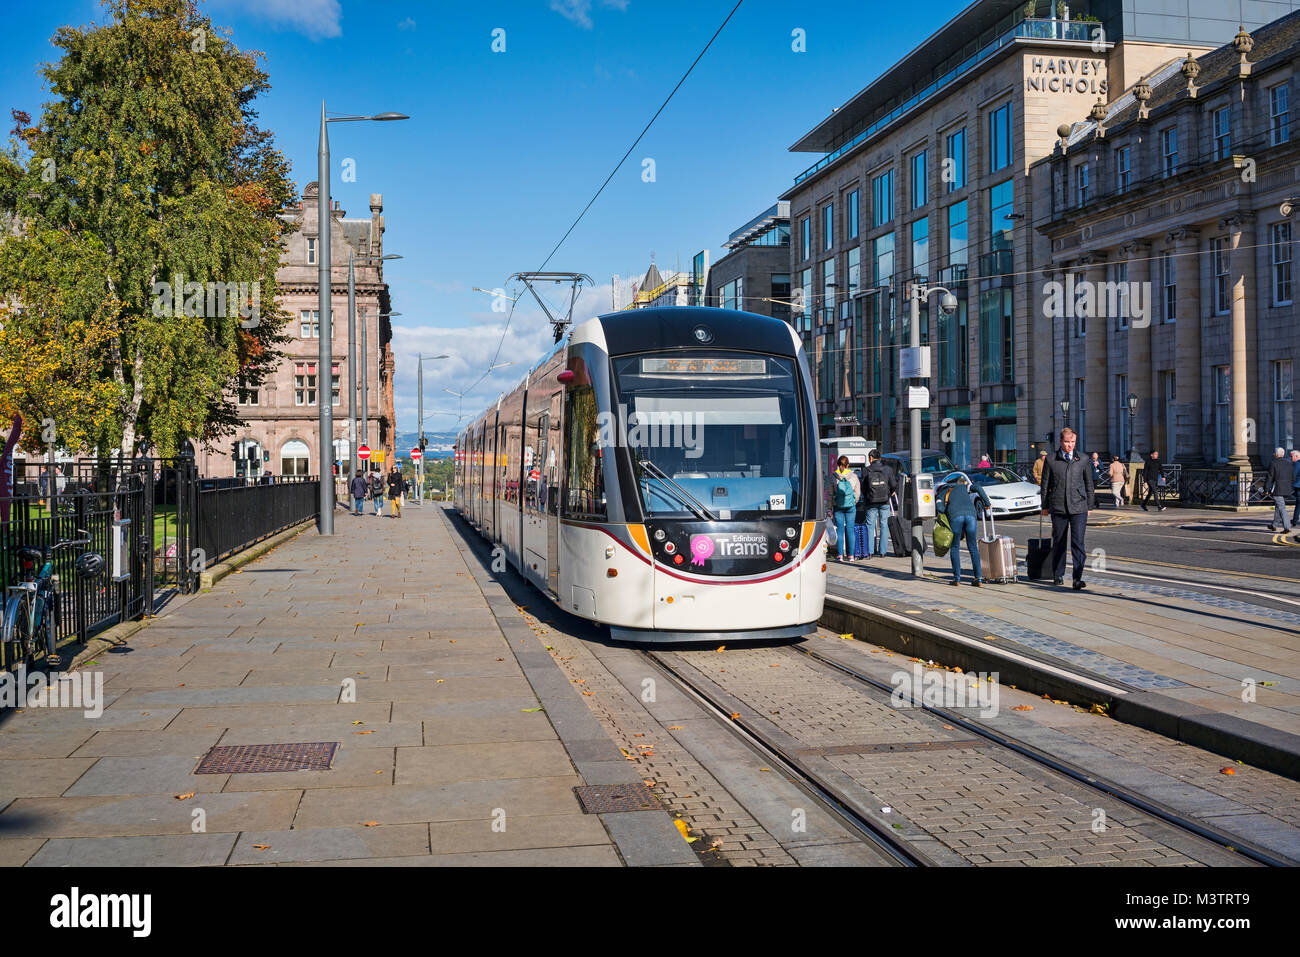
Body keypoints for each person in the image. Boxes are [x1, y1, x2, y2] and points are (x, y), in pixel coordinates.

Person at [1040, 426, 1094, 590]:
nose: (1070, 445)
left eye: (1073, 442)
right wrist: (1044, 506)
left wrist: (1089, 505)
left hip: (1079, 507)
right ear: (1060, 441)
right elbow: (1045, 485)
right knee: (1059, 542)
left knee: (1078, 543)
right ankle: (1058, 574)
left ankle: (1077, 578)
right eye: (1067, 442)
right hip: (1058, 507)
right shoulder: (1050, 459)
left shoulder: (1083, 459)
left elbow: (1089, 484)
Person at [937, 472, 991, 586]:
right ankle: (978, 578)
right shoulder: (964, 487)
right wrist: (987, 503)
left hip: (955, 517)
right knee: (973, 547)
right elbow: (978, 488)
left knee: (955, 547)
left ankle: (957, 579)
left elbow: (939, 508)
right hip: (971, 516)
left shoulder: (943, 490)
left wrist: (944, 509)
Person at [860, 448, 895, 559]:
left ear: (871, 458)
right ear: (879, 458)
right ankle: (883, 552)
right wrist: (890, 492)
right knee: (884, 525)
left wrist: (867, 496)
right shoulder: (887, 469)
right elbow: (894, 484)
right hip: (885, 501)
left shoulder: (866, 470)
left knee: (870, 526)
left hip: (871, 502)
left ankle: (870, 552)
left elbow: (863, 487)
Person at [830, 455, 861, 562]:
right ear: (848, 465)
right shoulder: (854, 476)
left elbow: (830, 493)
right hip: (850, 506)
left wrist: (830, 506)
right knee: (850, 530)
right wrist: (853, 502)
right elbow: (857, 493)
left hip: (838, 506)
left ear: (838, 464)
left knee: (840, 530)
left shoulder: (833, 476)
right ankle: (851, 556)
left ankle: (840, 555)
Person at [1265, 447, 1294, 533]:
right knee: (1278, 507)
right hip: (1287, 488)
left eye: (1274, 453)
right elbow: (1292, 477)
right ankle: (1274, 525)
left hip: (1277, 488)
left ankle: (1287, 527)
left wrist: (1266, 489)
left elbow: (1269, 477)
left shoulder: (1273, 463)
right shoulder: (1289, 463)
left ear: (1276, 454)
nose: (1274, 454)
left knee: (1281, 508)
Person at [1290, 450, 1300, 534]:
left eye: (1291, 456)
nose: (1290, 458)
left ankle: (1294, 521)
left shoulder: (1297, 464)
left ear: (1296, 456)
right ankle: (1295, 520)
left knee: (1298, 503)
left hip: (1298, 486)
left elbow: (1293, 475)